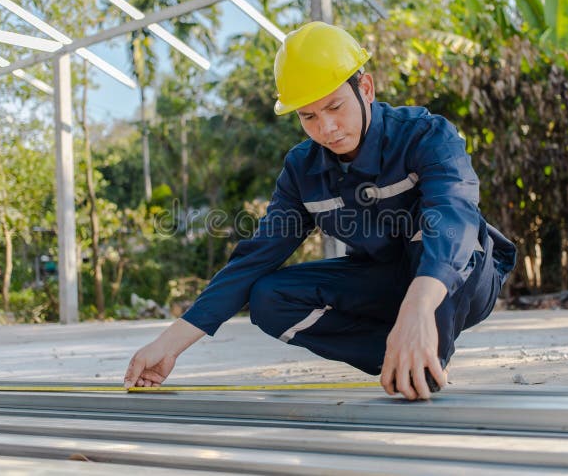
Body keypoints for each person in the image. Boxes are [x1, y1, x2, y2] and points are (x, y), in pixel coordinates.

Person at [123, 21, 516, 400]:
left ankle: (423, 345)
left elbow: (454, 215)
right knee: (268, 296)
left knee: (432, 223)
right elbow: (252, 261)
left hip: (461, 277)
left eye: (334, 106)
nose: (326, 128)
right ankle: (397, 355)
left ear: (365, 88)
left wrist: (419, 304)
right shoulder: (303, 171)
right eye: (308, 116)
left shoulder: (425, 135)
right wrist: (168, 345)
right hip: (385, 281)